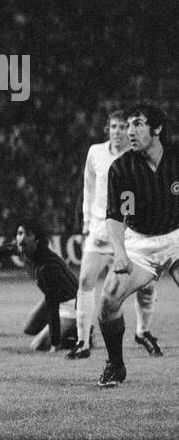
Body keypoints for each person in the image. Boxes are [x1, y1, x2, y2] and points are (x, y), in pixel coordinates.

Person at [94, 102, 179, 387]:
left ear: (157, 129)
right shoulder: (121, 168)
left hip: (177, 237)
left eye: (138, 123)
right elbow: (115, 217)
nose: (130, 131)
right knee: (108, 302)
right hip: (140, 243)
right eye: (129, 124)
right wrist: (119, 254)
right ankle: (115, 365)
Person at [70, 109, 161, 359]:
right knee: (86, 281)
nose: (119, 132)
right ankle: (83, 340)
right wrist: (87, 223)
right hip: (101, 227)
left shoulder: (137, 157)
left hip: (130, 232)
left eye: (123, 127)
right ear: (107, 130)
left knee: (147, 286)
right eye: (114, 127)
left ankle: (143, 331)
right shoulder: (95, 153)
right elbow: (89, 189)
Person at [0, 224, 78, 351]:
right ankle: (69, 332)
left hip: (71, 304)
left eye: (28, 234)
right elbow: (7, 248)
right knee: (29, 328)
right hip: (55, 297)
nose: (22, 238)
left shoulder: (46, 265)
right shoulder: (25, 250)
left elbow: (52, 305)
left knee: (38, 346)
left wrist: (55, 343)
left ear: (36, 240)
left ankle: (79, 336)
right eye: (20, 233)